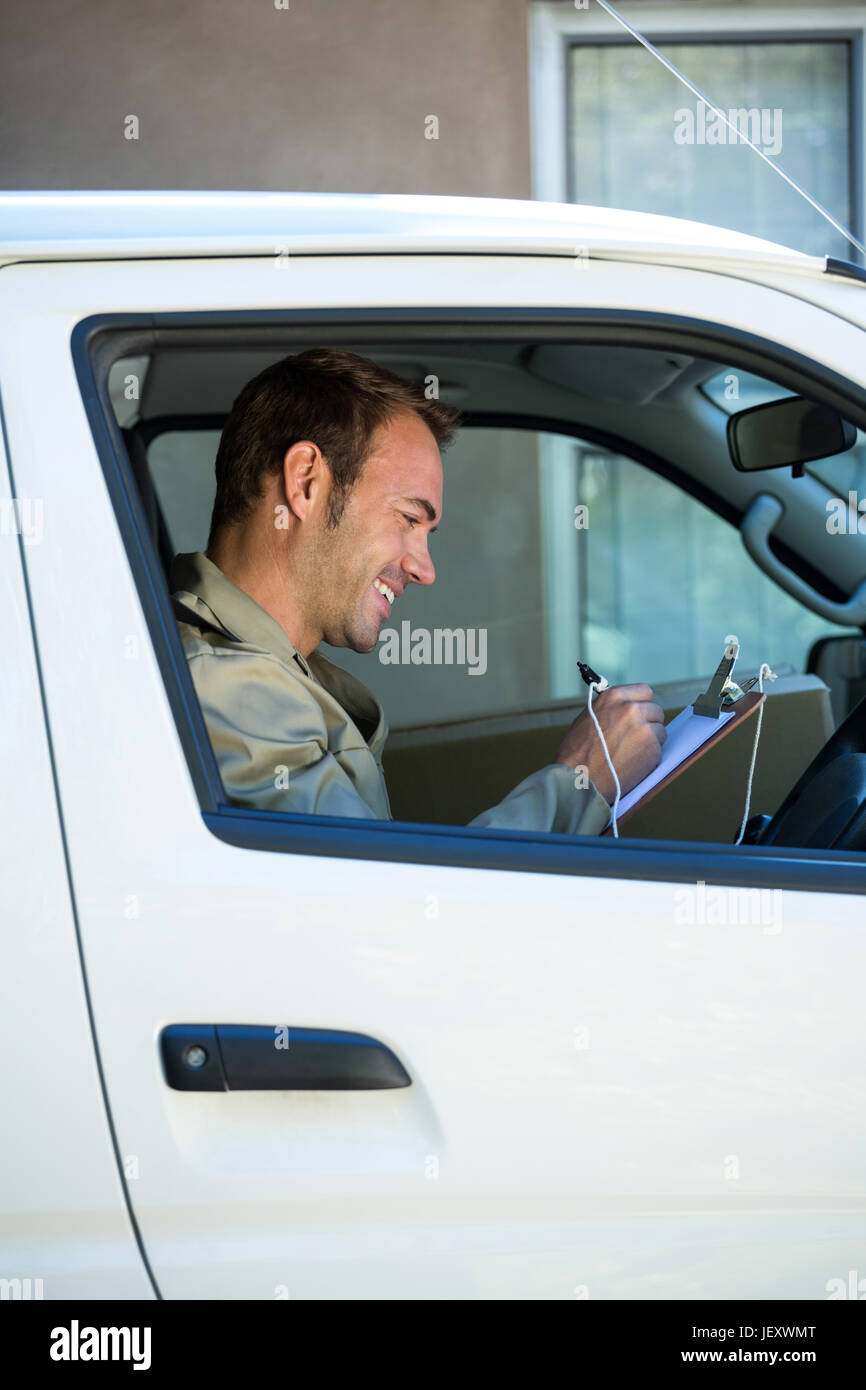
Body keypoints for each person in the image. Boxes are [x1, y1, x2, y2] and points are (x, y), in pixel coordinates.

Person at [170, 348, 665, 834]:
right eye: (408, 518)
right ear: (305, 483)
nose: (424, 569)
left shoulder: (272, 672)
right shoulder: (228, 691)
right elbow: (387, 909)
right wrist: (582, 782)